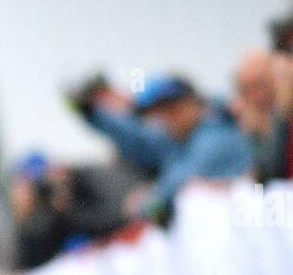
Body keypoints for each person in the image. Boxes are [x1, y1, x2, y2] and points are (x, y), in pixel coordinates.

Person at [78, 75, 253, 223]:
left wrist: (148, 200)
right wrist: (92, 113)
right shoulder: (183, 141)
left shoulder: (216, 138)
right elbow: (138, 140)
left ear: (187, 104)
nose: (164, 122)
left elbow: (184, 180)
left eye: (169, 111)